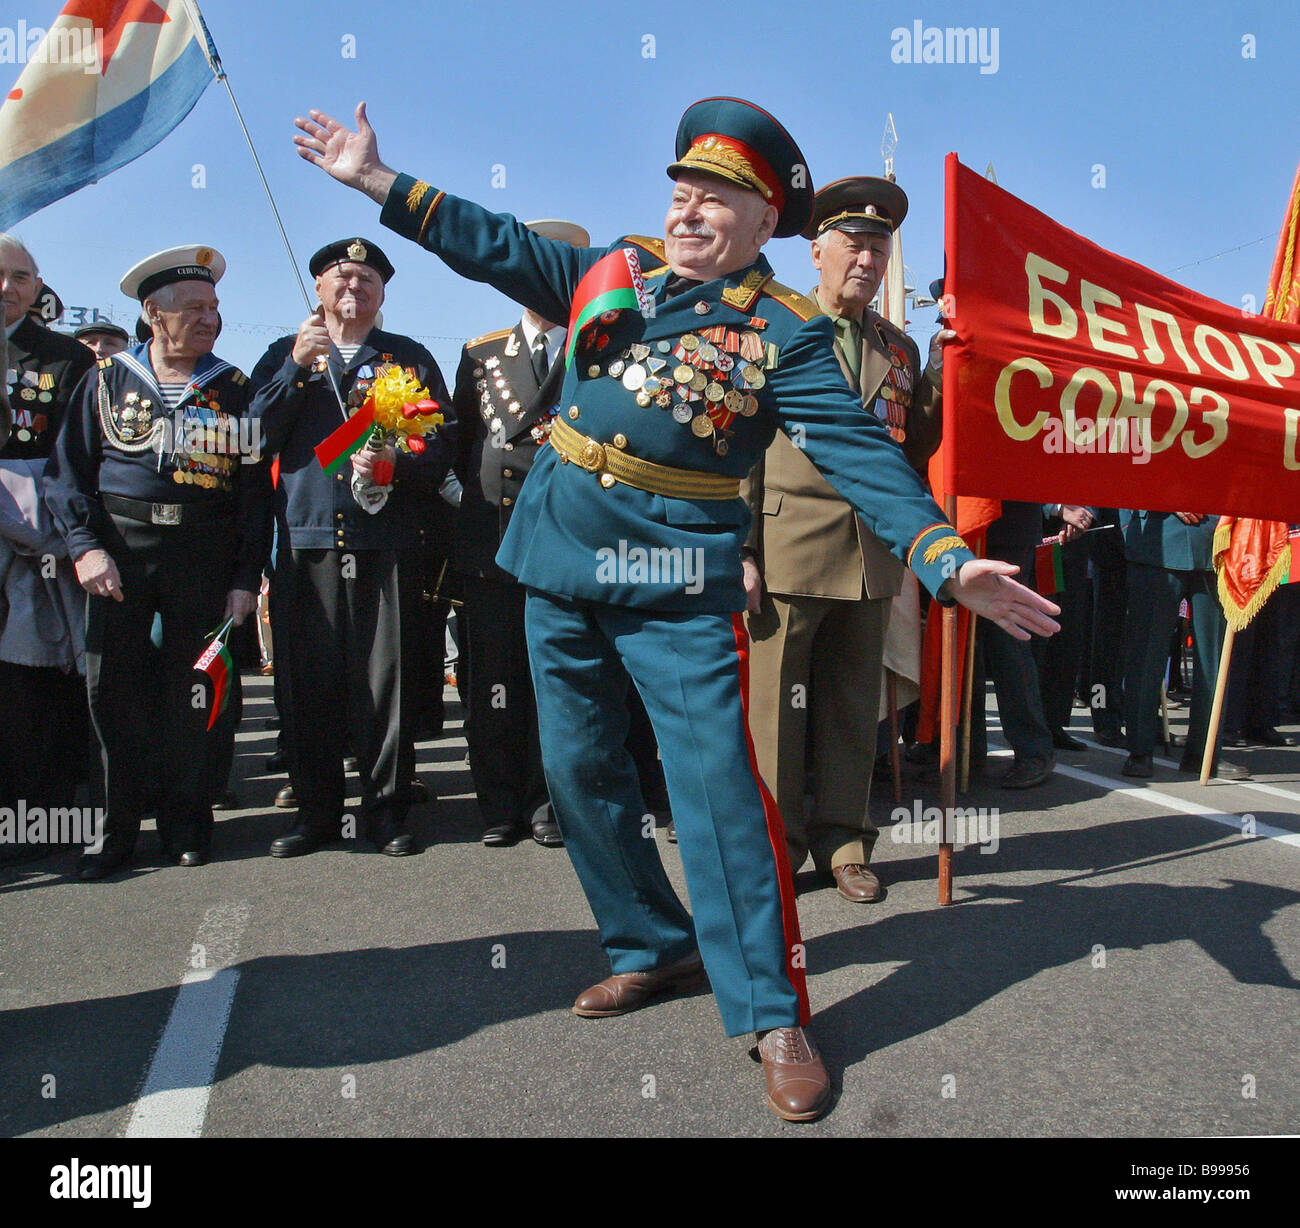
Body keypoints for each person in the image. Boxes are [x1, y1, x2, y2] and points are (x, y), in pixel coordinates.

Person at [292, 95, 1059, 1122]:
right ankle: (650, 944)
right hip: (559, 548)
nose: (688, 209)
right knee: (574, 769)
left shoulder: (781, 333)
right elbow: (496, 244)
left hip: (674, 572)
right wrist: (377, 179)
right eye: (682, 191)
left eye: (715, 197)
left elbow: (861, 453)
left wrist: (943, 558)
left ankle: (771, 1006)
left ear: (763, 217)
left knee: (715, 791)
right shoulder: (616, 269)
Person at [742, 176, 943, 905]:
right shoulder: (777, 330)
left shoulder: (901, 346)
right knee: (776, 713)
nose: (866, 261)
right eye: (853, 246)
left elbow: (910, 448)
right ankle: (775, 847)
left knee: (853, 709)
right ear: (816, 251)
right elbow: (744, 444)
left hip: (870, 553)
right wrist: (741, 546)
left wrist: (948, 374)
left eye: (878, 250)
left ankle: (845, 841)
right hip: (787, 544)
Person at [44, 245, 269, 878]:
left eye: (215, 307)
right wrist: (84, 549)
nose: (210, 318)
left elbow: (253, 495)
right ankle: (112, 835)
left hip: (203, 552)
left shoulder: (232, 386)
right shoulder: (107, 378)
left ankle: (187, 823)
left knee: (192, 691)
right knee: (112, 690)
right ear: (152, 313)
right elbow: (68, 475)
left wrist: (243, 580)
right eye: (194, 308)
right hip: (119, 553)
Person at [247, 238, 454, 859]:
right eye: (340, 277)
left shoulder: (405, 360)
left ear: (383, 292)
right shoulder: (285, 356)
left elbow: (438, 446)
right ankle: (315, 811)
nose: (353, 288)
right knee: (306, 684)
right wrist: (292, 368)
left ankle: (386, 811)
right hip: (307, 542)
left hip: (383, 542)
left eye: (367, 279)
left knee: (383, 683)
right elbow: (250, 438)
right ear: (317, 288)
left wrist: (396, 456)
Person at [450, 219, 588, 848]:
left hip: (569, 542)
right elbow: (459, 449)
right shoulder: (480, 354)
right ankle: (499, 802)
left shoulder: (601, 348)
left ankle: (552, 802)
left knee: (557, 681)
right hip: (495, 539)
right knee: (493, 680)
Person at [0, 235, 96, 861]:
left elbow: (80, 454)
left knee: (42, 678)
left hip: (42, 538)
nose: (6, 286)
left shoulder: (67, 359)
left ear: (39, 285)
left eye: (19, 275)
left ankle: (49, 817)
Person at [1119, 510, 1249, 781]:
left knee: (1213, 660)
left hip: (1216, 542)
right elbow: (1132, 471)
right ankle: (1140, 749)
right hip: (1158, 540)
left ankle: (1205, 751)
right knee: (1146, 657)